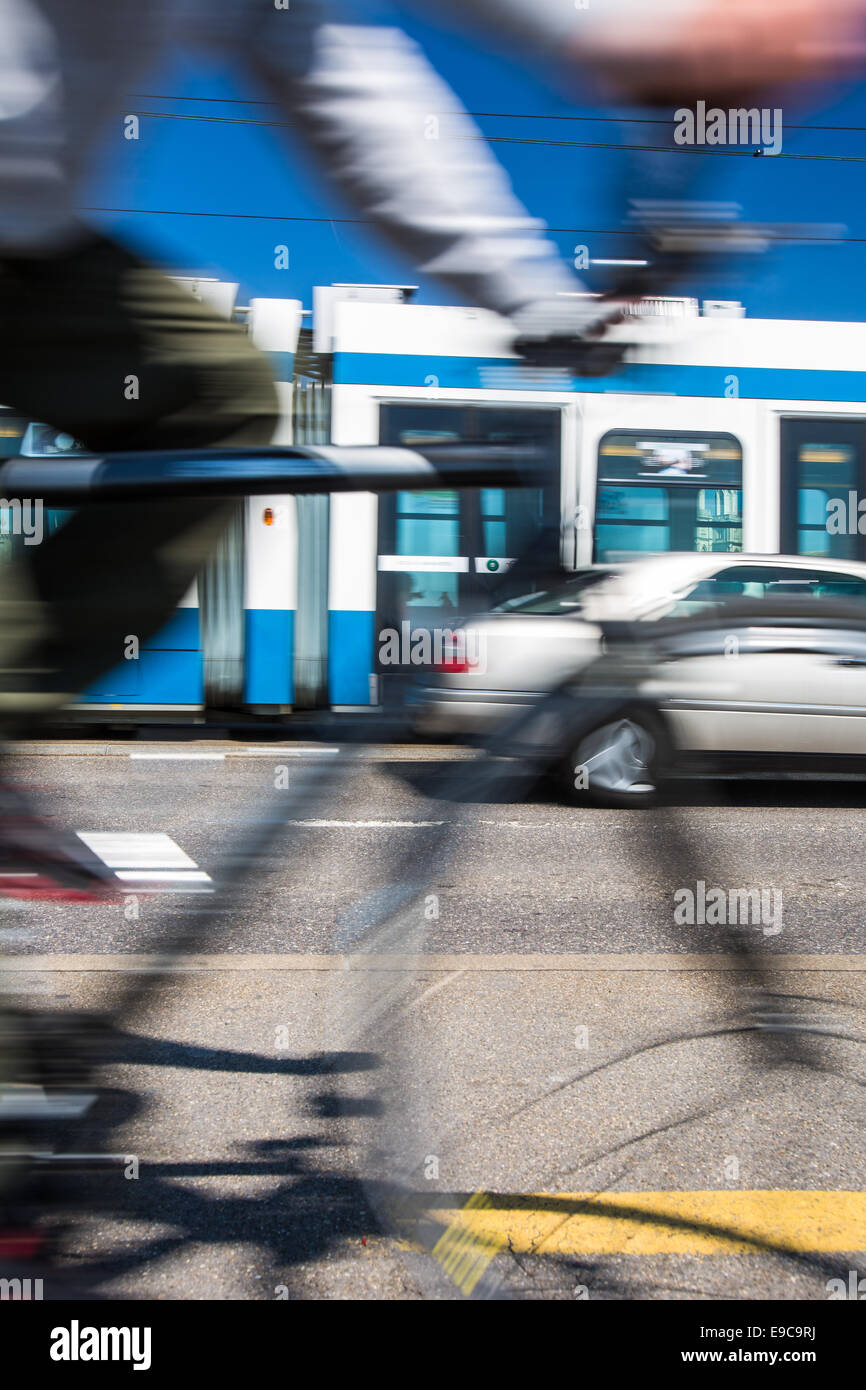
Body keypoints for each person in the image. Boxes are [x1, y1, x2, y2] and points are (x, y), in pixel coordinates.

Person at [0, 0, 861, 895]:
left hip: (31, 232)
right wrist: (628, 33)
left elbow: (342, 76)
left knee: (216, 396)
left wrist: (534, 299)